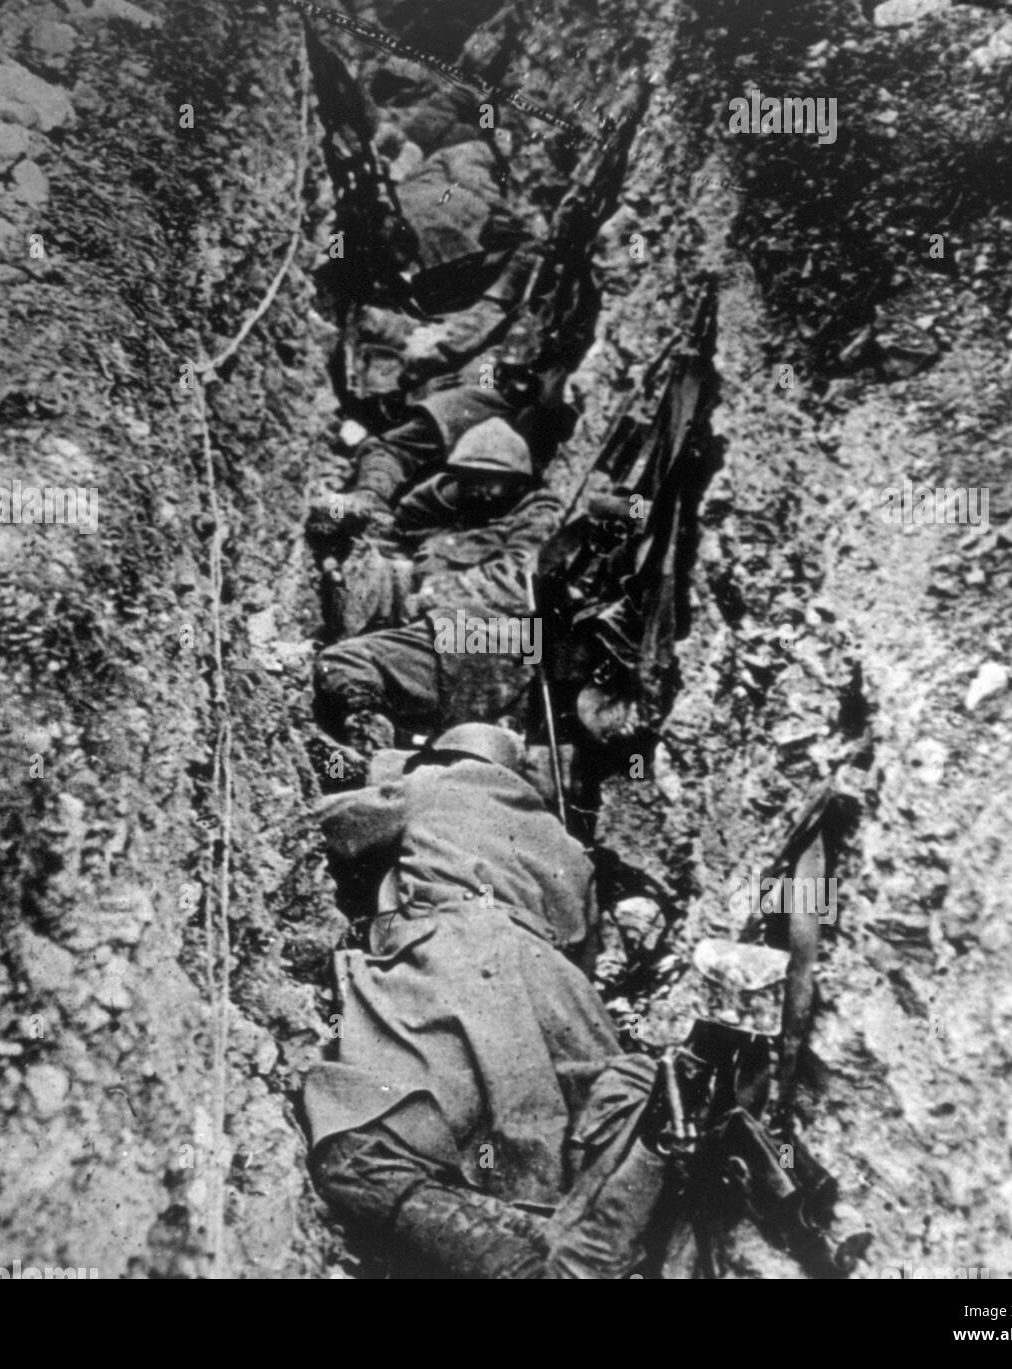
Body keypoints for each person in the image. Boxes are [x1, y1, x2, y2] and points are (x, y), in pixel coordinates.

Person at [304, 723, 676, 1279]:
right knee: (542, 1145)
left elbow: (325, 825)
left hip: (451, 955)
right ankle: (550, 1236)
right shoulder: (568, 845)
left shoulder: (439, 782)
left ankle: (514, 1262)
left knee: (365, 1145)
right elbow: (585, 948)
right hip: (555, 985)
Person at [312, 419, 564, 757]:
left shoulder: (537, 515)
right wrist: (349, 512)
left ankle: (376, 747)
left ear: (519, 483)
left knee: (346, 662)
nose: (484, 492)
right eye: (474, 479)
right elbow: (392, 527)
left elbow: (521, 585)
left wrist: (429, 595)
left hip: (502, 637)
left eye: (497, 483)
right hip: (444, 625)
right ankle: (377, 731)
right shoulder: (448, 496)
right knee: (363, 575)